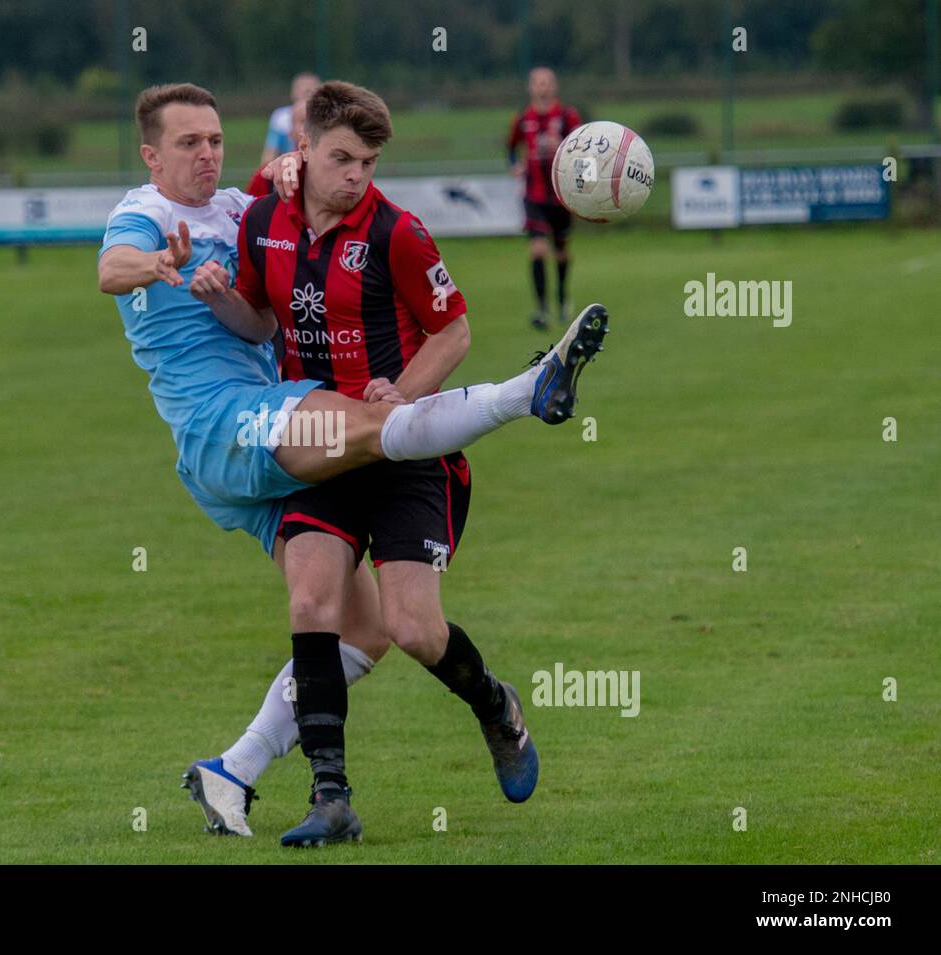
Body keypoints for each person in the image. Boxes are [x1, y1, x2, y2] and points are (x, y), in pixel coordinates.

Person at [96, 82, 609, 837]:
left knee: (378, 629)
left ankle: (238, 769)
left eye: (214, 138)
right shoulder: (145, 214)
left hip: (293, 432)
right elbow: (112, 267)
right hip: (235, 425)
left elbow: (261, 308)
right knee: (367, 435)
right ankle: (526, 391)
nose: (207, 152)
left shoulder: (257, 210)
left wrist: (278, 181)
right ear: (151, 154)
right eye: (187, 142)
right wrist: (162, 268)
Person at [187, 81, 544, 847]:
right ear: (303, 148)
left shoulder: (399, 234)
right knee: (312, 604)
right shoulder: (261, 222)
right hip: (323, 448)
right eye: (342, 158)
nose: (356, 175)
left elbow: (454, 332)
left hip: (409, 455)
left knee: (412, 627)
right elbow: (259, 317)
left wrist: (402, 394)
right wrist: (219, 299)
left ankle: (495, 706)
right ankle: (331, 796)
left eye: (369, 161)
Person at [507, 67, 582, 330]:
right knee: (538, 249)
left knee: (561, 252)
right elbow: (511, 148)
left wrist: (563, 149)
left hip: (561, 196)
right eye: (538, 83)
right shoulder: (522, 119)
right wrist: (514, 165)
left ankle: (562, 298)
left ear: (555, 86)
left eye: (547, 82)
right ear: (531, 87)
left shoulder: (566, 116)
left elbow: (584, 146)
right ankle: (541, 309)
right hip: (534, 195)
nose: (543, 87)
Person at [259, 72, 319, 168]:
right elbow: (269, 155)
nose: (308, 90)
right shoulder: (280, 118)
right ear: (293, 93)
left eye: (312, 87)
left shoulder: (328, 117)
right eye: (302, 87)